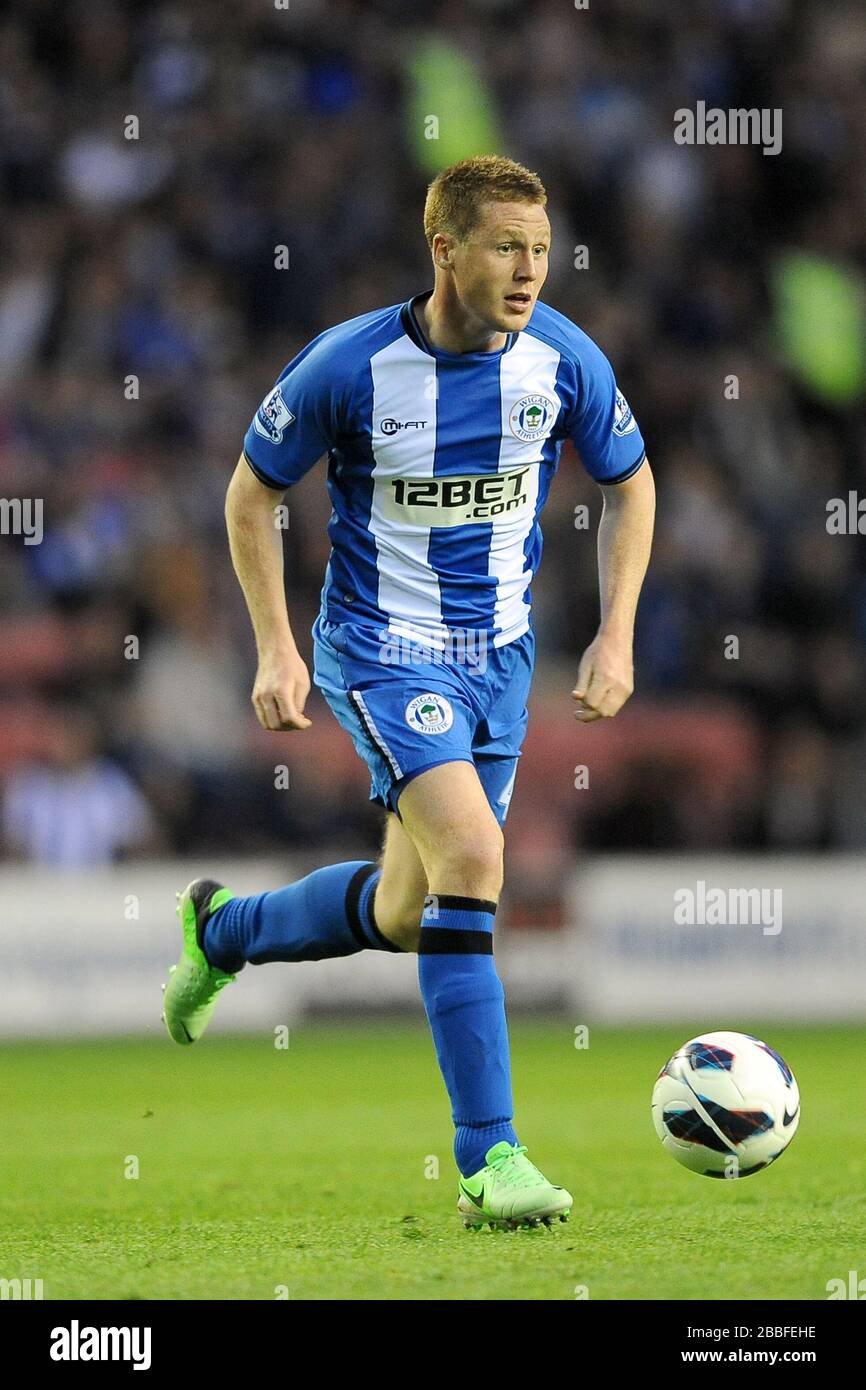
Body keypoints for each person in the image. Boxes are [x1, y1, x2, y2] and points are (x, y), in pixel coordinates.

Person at [162, 155, 655, 1230]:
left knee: (404, 909)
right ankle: (490, 1161)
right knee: (474, 861)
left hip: (504, 658)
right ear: (444, 249)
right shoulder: (348, 365)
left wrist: (615, 634)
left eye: (539, 248)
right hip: (382, 650)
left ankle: (223, 933)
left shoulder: (562, 357)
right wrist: (275, 648)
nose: (529, 270)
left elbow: (629, 484)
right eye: (503, 248)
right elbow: (252, 494)